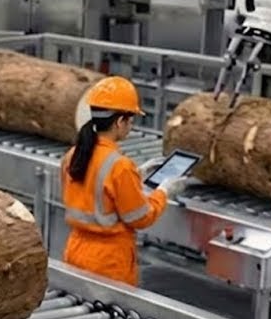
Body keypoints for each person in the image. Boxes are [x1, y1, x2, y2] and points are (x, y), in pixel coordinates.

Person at [61, 76, 188, 286]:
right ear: (120, 122)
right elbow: (140, 217)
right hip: (109, 264)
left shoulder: (73, 155)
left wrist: (136, 174)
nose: (131, 126)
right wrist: (164, 191)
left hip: (76, 251)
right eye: (131, 120)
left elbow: (94, 190)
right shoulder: (119, 166)